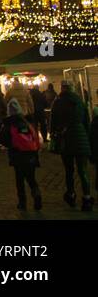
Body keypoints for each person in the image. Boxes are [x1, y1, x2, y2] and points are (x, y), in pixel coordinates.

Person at [49, 81, 93, 210]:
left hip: (66, 140)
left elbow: (53, 123)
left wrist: (54, 135)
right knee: (83, 170)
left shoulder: (57, 103)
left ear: (62, 88)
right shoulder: (80, 102)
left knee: (69, 170)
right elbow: (87, 122)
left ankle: (71, 194)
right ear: (73, 89)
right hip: (81, 138)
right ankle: (87, 198)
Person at [0, 98, 43, 211]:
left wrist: (11, 144)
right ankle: (36, 194)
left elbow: (3, 139)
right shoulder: (27, 122)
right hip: (31, 154)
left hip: (17, 154)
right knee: (31, 177)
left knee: (19, 179)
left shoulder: (9, 124)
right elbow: (36, 138)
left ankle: (22, 202)